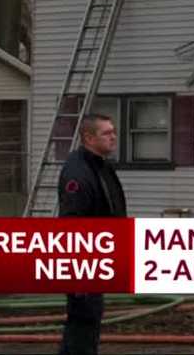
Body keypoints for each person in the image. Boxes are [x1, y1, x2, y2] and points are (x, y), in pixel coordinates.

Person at [58, 114, 126, 355]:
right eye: (106, 133)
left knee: (89, 321)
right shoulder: (78, 173)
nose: (114, 137)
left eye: (113, 131)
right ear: (88, 137)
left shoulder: (100, 165)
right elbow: (72, 223)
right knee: (82, 323)